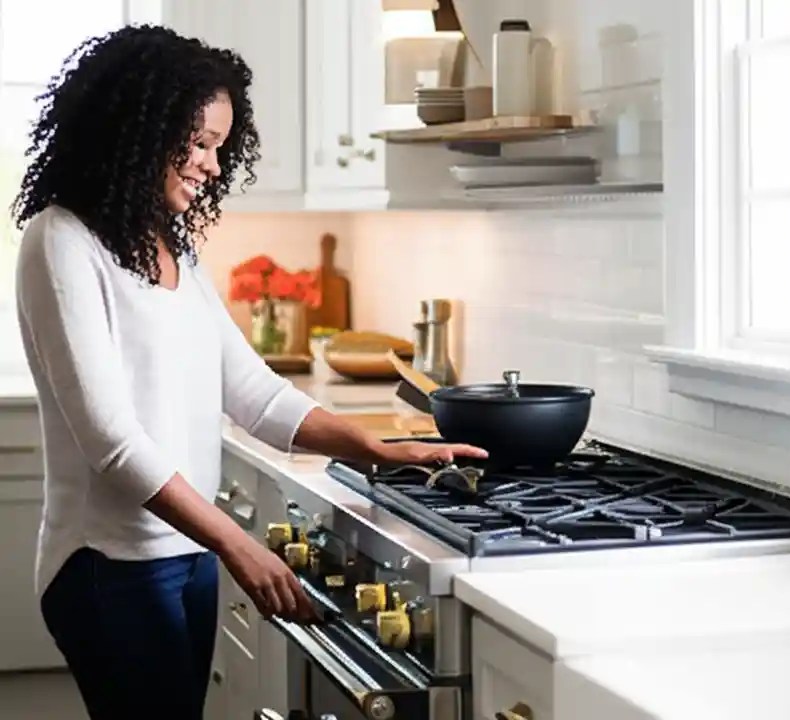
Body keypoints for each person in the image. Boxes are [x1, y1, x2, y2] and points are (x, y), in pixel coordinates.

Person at [8, 24, 486, 719]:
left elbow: (252, 391)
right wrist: (236, 543)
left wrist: (375, 448)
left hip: (188, 557)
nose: (209, 164)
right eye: (197, 141)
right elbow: (111, 441)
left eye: (219, 148)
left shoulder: (172, 250)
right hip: (108, 566)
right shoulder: (61, 241)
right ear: (135, 128)